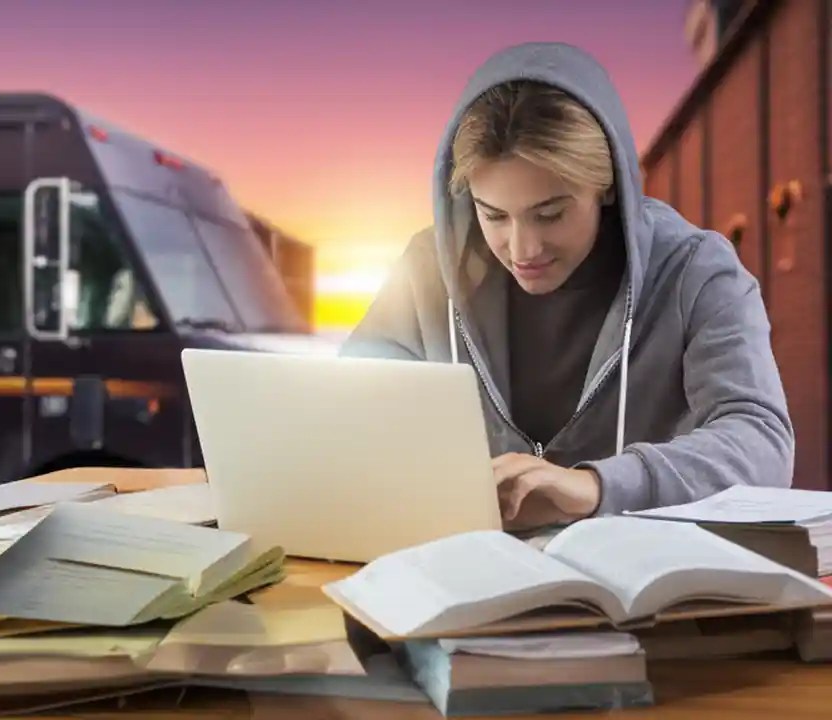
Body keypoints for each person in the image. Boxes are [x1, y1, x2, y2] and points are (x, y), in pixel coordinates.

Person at [340, 42, 794, 531]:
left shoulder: (695, 271)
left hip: (639, 582)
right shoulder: (427, 269)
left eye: (550, 214)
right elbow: (346, 413)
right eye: (493, 215)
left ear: (607, 185)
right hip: (465, 571)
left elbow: (761, 440)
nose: (522, 248)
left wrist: (597, 487)